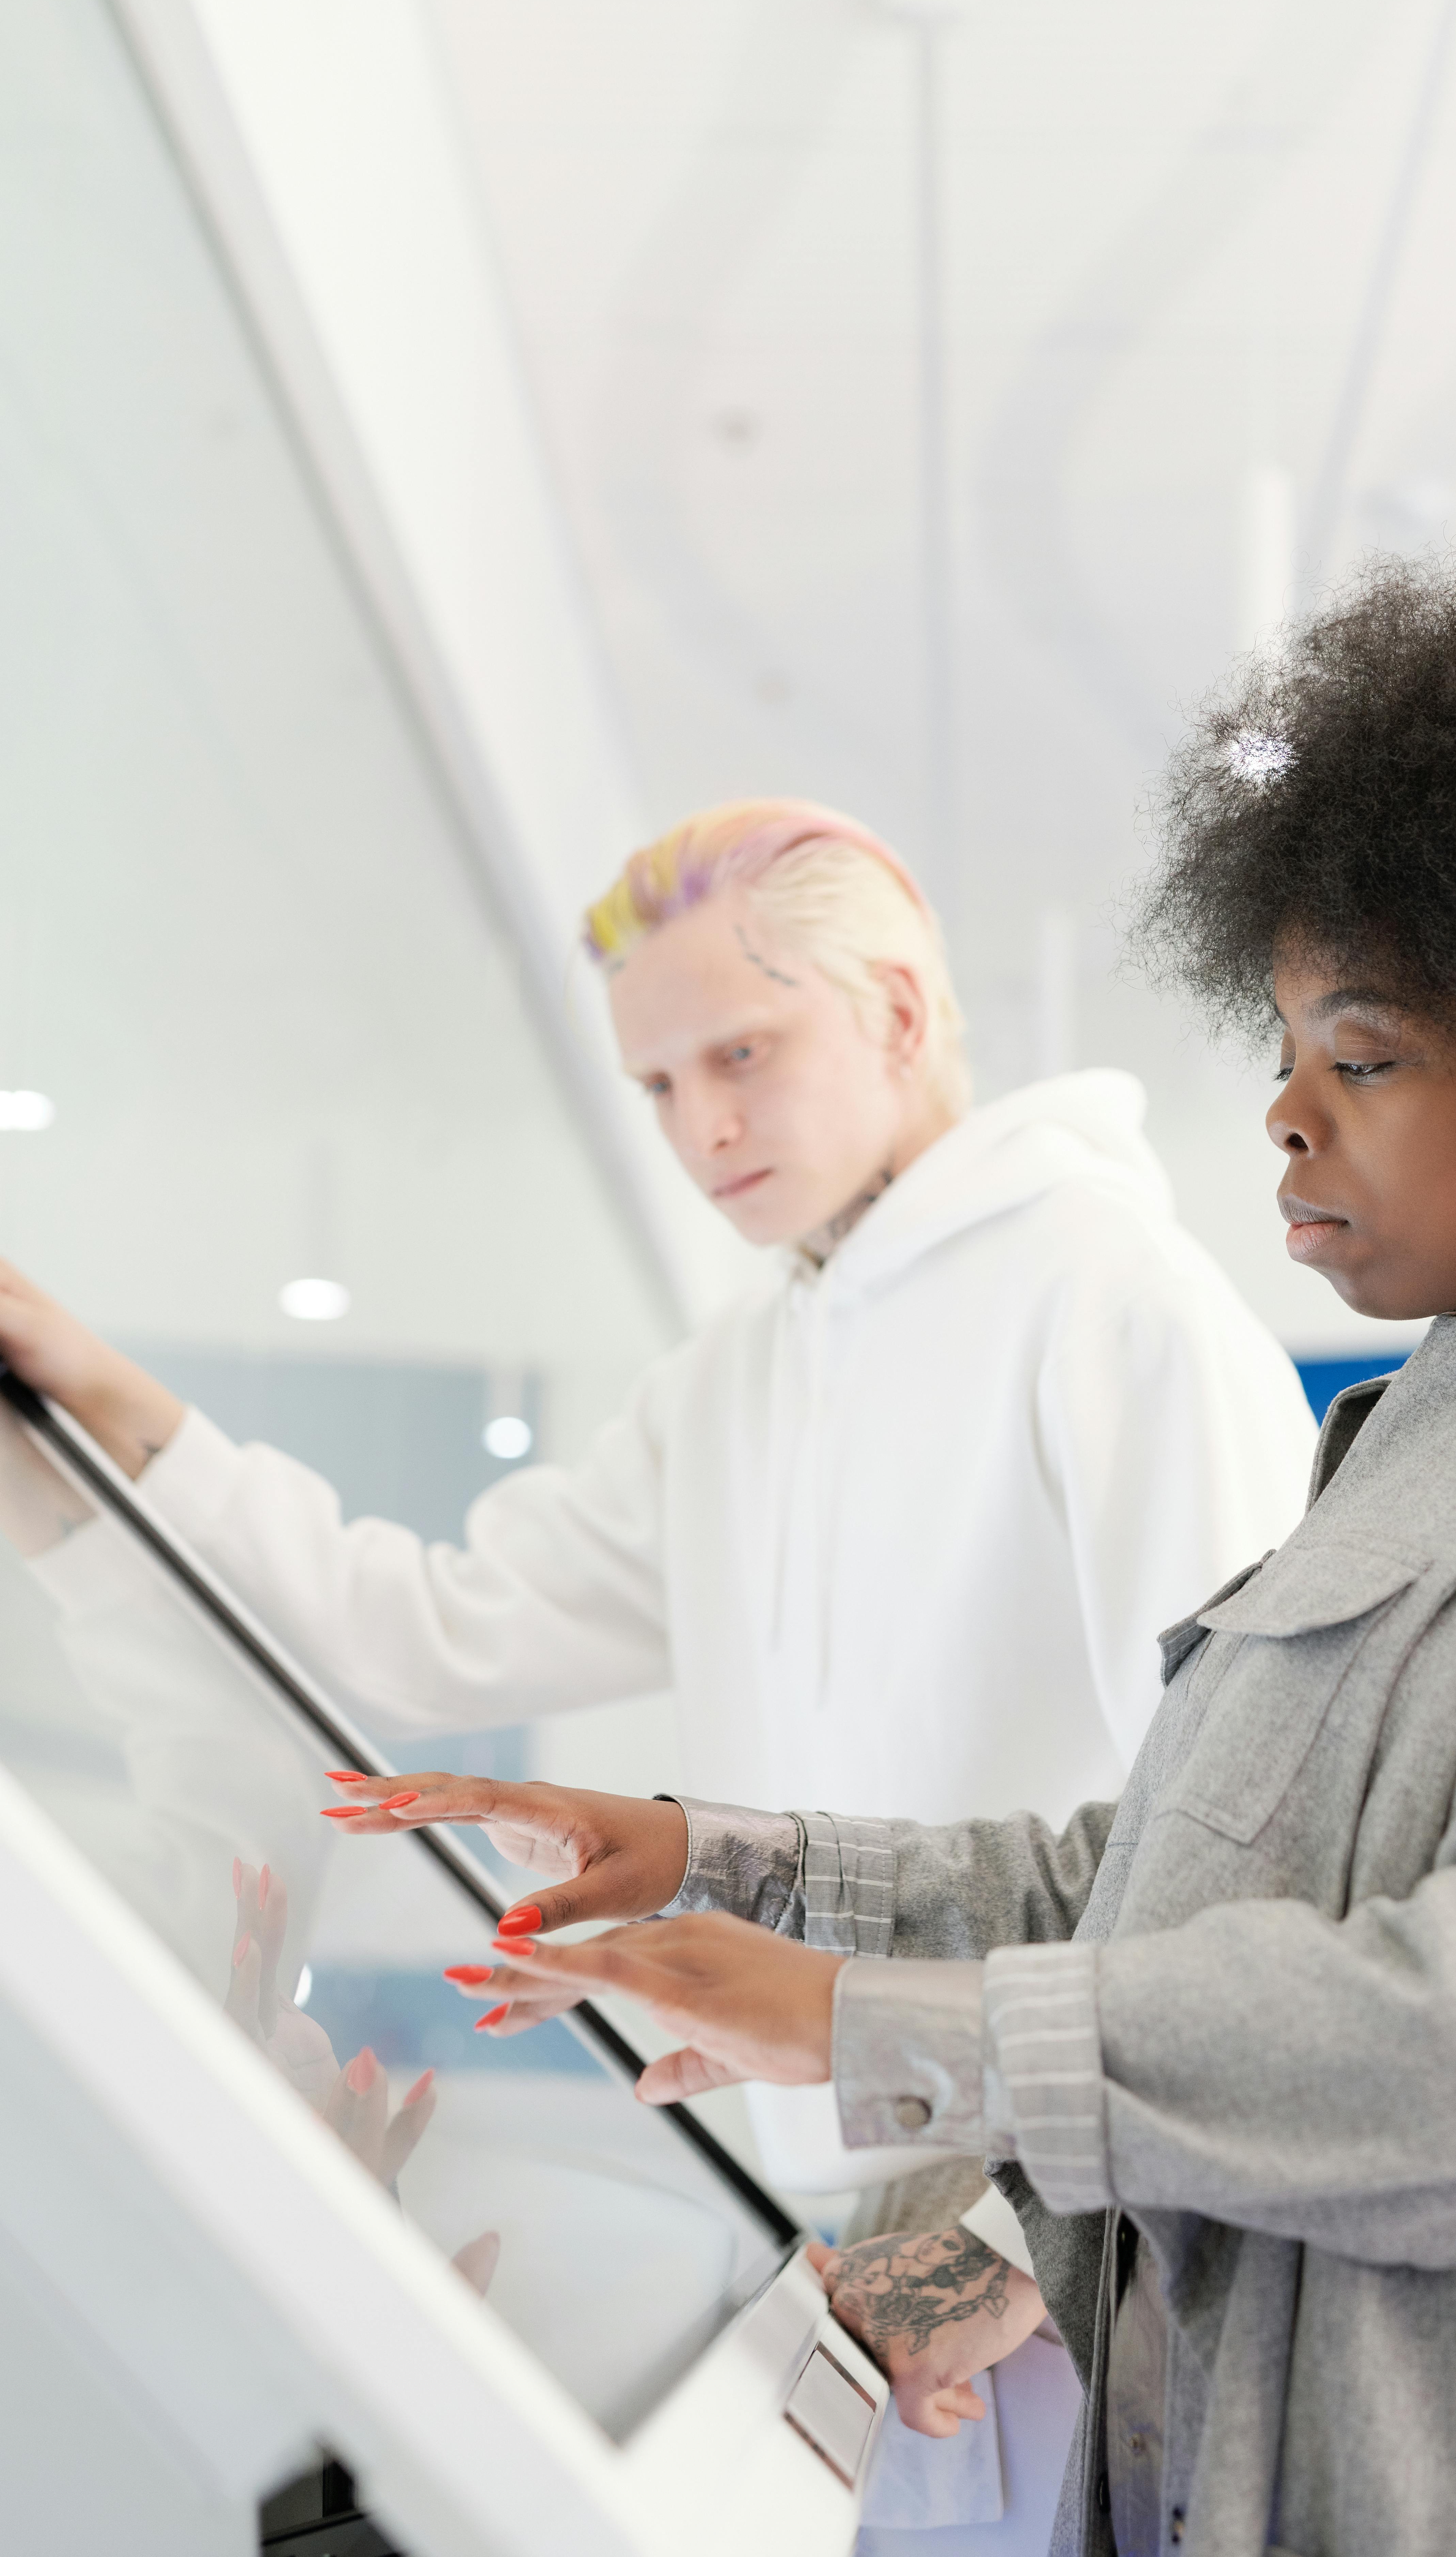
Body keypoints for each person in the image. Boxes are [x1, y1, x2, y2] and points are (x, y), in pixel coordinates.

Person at [323, 545, 1456, 2555]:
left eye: (1363, 1058)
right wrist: (729, 1858)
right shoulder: (1406, 1438)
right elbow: (1140, 1886)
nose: (1286, 1122)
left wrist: (858, 2030)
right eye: (1286, 1051)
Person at [0, 796, 1315, 2545]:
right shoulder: (738, 1378)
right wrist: (106, 1416)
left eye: (742, 1054)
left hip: (1050, 2258)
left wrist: (1018, 2244)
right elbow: (420, 1630)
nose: (702, 1128)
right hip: (826, 2266)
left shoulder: (1118, 1305)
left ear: (903, 1013)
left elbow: (1252, 1837)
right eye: (657, 1085)